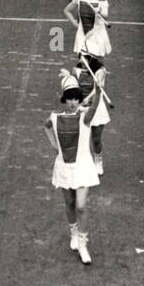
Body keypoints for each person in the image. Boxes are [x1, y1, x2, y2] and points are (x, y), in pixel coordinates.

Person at [44, 71, 105, 265]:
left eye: (76, 98)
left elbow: (95, 105)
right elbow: (46, 126)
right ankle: (73, 232)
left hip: (83, 167)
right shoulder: (55, 118)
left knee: (81, 206)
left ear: (80, 100)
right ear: (64, 100)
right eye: (69, 98)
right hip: (64, 166)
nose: (73, 102)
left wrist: (98, 89)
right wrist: (55, 146)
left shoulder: (84, 118)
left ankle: (83, 243)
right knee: (69, 203)